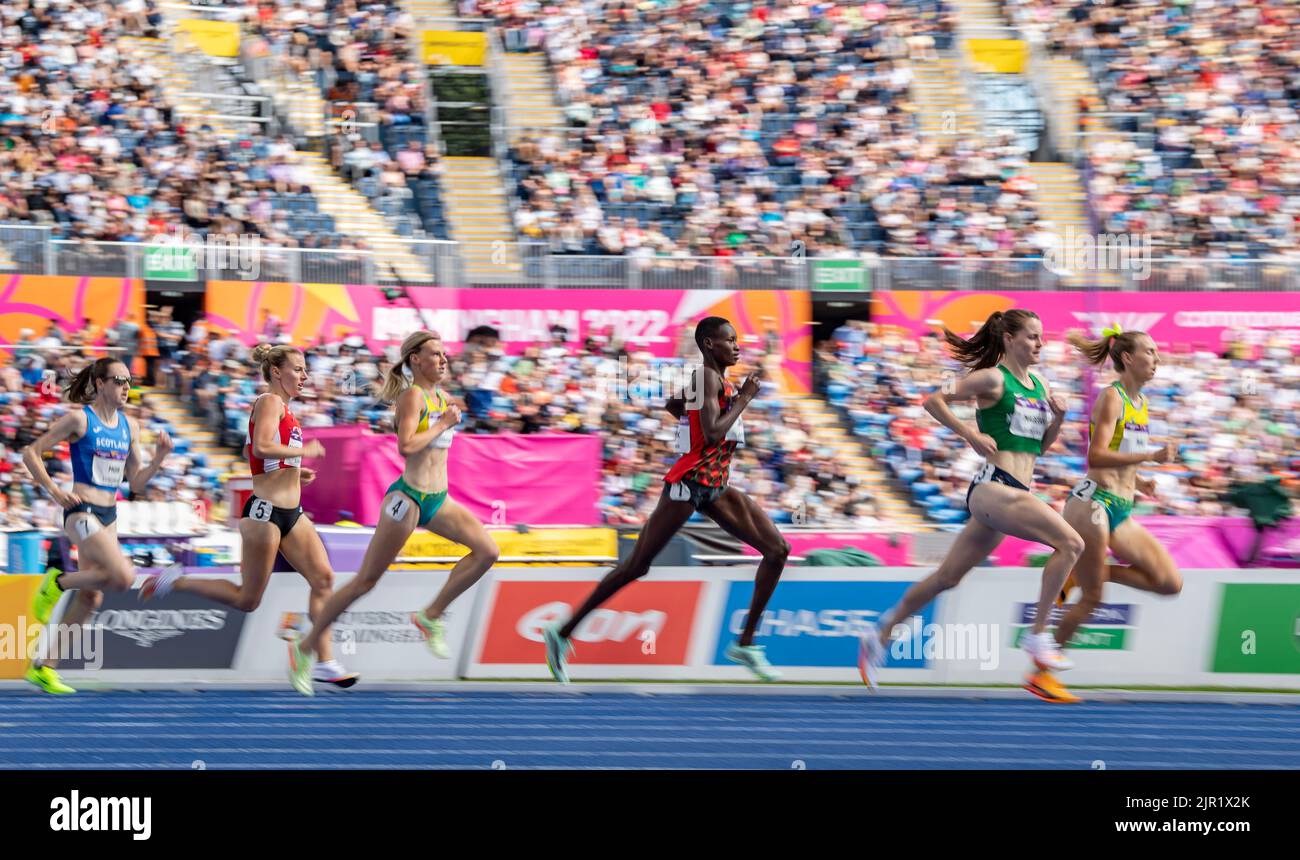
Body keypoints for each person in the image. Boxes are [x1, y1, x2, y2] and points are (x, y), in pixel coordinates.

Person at [543, 317, 791, 683]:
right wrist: (744, 399)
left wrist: (697, 415)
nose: (737, 346)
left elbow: (675, 406)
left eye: (737, 340)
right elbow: (712, 433)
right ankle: (561, 633)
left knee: (777, 550)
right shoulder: (707, 378)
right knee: (636, 566)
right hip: (688, 485)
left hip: (716, 485)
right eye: (730, 340)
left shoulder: (712, 380)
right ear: (709, 344)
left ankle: (746, 644)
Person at [858, 309, 1082, 689]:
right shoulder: (993, 378)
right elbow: (933, 400)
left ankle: (880, 634)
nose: (1040, 344)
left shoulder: (1041, 385)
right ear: (1009, 339)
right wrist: (969, 434)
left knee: (948, 577)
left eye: (1042, 337)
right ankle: (1038, 634)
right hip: (994, 487)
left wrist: (1058, 419)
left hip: (1014, 491)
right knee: (1071, 543)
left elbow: (1038, 449)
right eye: (1031, 337)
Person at [287, 331, 499, 695]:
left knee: (487, 552)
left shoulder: (441, 396)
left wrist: (445, 419)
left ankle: (430, 616)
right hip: (408, 499)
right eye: (435, 354)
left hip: (438, 498)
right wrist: (443, 424)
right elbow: (405, 446)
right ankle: (305, 648)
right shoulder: (412, 396)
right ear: (416, 360)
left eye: (444, 354)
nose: (444, 360)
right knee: (365, 582)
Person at [142, 343, 358, 690]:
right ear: (277, 372)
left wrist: (295, 471)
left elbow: (253, 453)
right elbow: (260, 446)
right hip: (265, 514)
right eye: (298, 369)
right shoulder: (269, 401)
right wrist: (304, 451)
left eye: (305, 370)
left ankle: (325, 662)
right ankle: (177, 580)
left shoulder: (285, 409)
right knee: (248, 600)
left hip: (293, 512)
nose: (305, 376)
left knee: (324, 580)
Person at [1041, 326, 1182, 702]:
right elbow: (1096, 457)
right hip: (1093, 504)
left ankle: (1090, 572)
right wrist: (1149, 458)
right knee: (1092, 598)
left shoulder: (1141, 403)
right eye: (1150, 352)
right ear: (1127, 358)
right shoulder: (1112, 397)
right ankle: (1042, 674)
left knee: (1169, 583)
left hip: (1121, 506)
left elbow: (1120, 461)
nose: (1157, 358)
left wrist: (1140, 484)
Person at [22, 357, 173, 694]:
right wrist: (56, 491)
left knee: (92, 597)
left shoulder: (130, 427)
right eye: (119, 380)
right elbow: (31, 453)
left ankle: (44, 668)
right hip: (81, 511)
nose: (126, 387)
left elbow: (136, 482)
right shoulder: (79, 419)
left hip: (109, 516)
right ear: (100, 383)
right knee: (123, 576)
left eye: (129, 381)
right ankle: (57, 582)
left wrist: (159, 459)